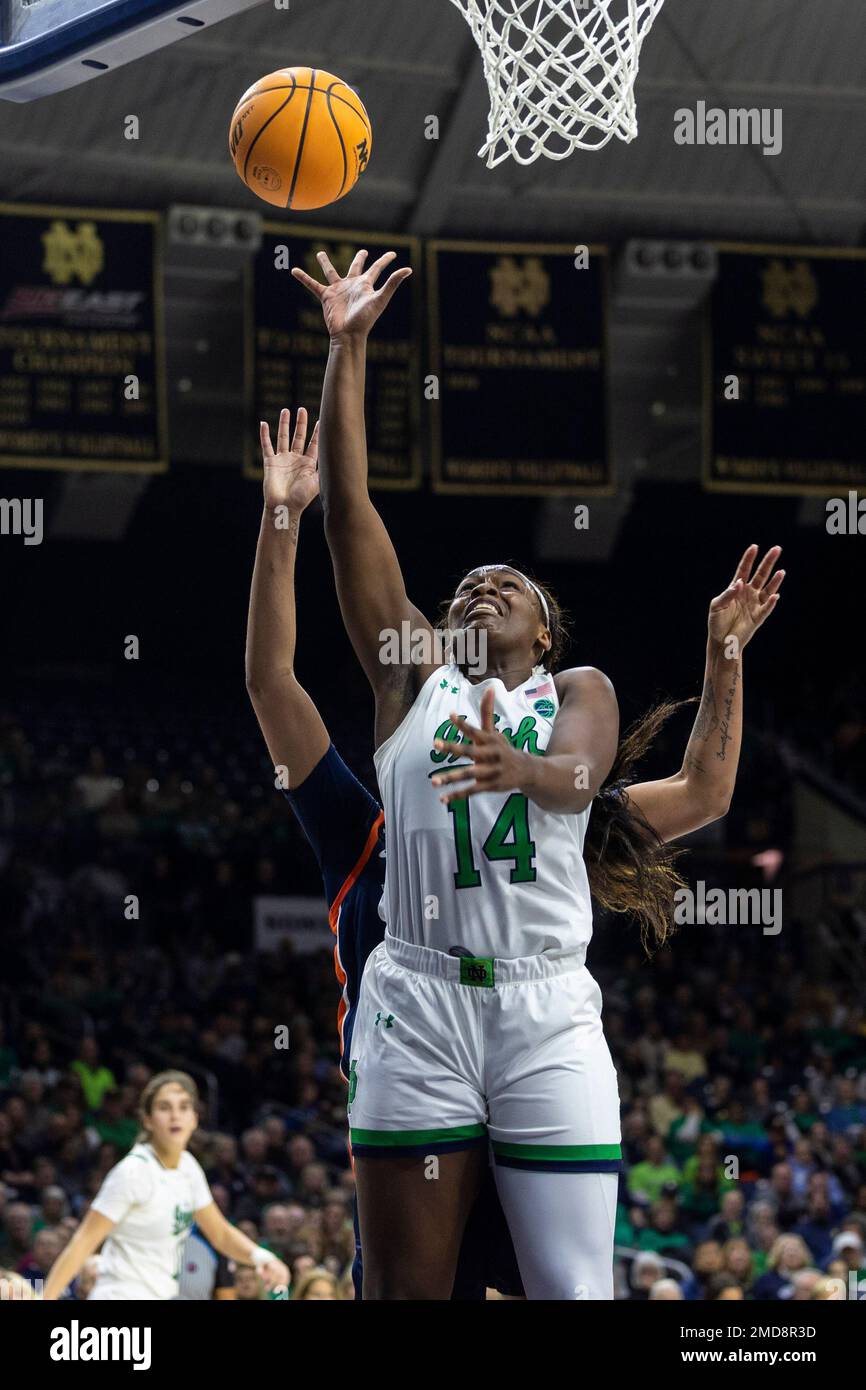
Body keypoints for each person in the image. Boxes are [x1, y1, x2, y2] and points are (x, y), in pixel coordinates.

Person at [289, 246, 785, 1300]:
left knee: (571, 1290)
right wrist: (347, 350)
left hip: (542, 1008)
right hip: (415, 998)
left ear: (545, 632)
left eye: (505, 581)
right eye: (465, 581)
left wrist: (711, 664)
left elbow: (577, 781)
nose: (480, 586)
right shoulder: (410, 681)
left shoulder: (578, 693)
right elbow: (348, 517)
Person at [42, 1071, 288, 1301]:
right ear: (147, 1120)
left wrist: (261, 1257)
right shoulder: (133, 1172)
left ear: (194, 1119)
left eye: (183, 1107)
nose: (175, 1116)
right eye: (164, 1107)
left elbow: (220, 1233)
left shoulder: (188, 1168)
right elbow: (83, 1242)